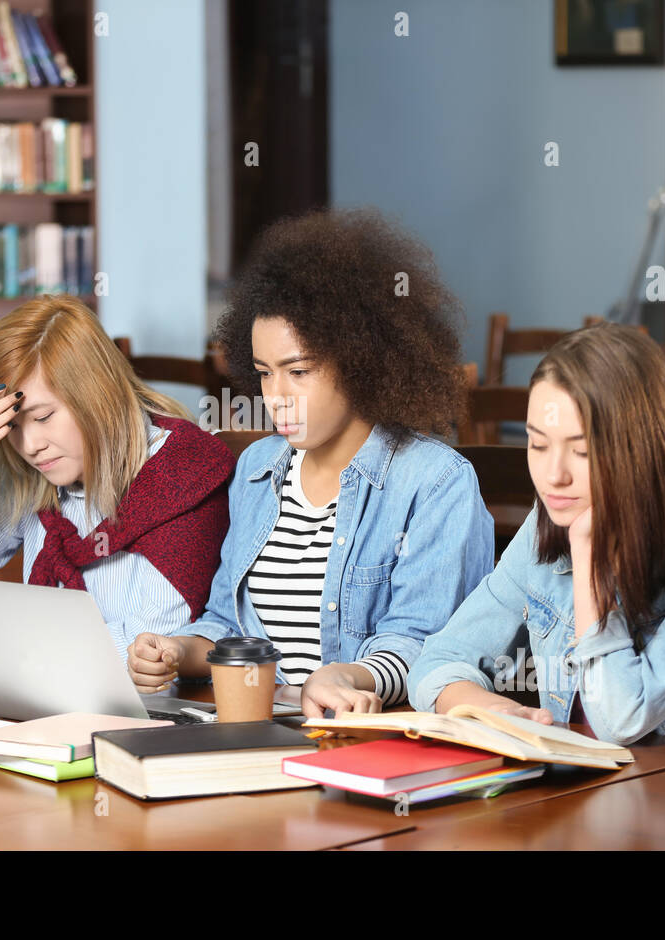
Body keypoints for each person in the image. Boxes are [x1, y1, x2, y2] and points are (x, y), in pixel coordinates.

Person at [407, 323, 665, 787]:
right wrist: (487, 707)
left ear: (641, 449)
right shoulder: (547, 523)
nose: (553, 476)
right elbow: (437, 659)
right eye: (537, 444)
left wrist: (591, 555)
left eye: (583, 450)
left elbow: (621, 718)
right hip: (618, 796)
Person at [127, 208, 495, 718]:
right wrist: (176, 651)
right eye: (263, 373)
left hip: (360, 740)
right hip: (258, 726)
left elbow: (426, 643)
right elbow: (227, 624)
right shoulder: (258, 469)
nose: (276, 396)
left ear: (362, 359)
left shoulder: (434, 482)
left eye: (298, 371)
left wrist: (345, 676)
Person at [0, 295, 236, 658]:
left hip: (149, 710)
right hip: (46, 696)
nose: (30, 444)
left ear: (97, 395)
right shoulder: (33, 476)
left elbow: (147, 653)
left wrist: (16, 654)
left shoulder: (184, 477)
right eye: (11, 425)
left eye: (43, 417)